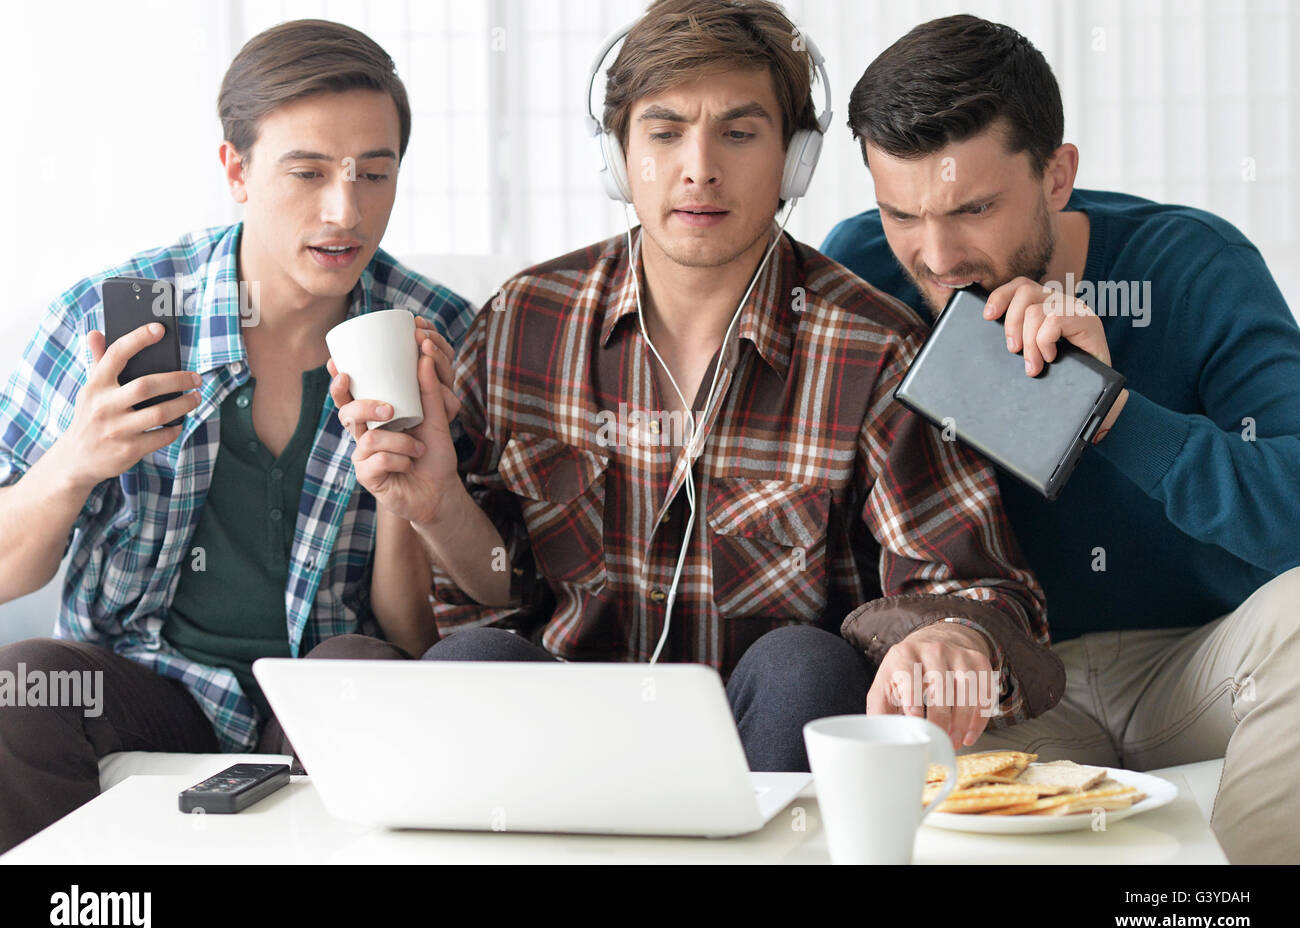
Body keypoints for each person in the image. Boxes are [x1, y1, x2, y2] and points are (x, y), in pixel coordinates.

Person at [330, 0, 1061, 776]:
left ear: (794, 160)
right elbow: (495, 597)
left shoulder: (876, 348)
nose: (700, 168)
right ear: (619, 156)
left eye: (739, 134)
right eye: (666, 131)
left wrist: (957, 637)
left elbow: (985, 591)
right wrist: (440, 503)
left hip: (766, 744)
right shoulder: (523, 321)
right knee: (469, 661)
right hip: (563, 741)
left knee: (802, 664)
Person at [821, 14, 1300, 864]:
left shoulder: (1193, 265)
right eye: (903, 212)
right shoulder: (864, 269)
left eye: (973, 209)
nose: (936, 258)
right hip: (1007, 679)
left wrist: (1115, 414)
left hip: (1198, 665)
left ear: (1057, 176)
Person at [0, 19, 474, 854]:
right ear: (237, 170)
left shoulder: (433, 330)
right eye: (309, 172)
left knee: (360, 674)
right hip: (150, 677)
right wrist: (75, 464)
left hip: (331, 685)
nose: (345, 210)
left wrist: (406, 492)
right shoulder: (120, 318)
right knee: (22, 686)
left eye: (375, 173)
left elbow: (415, 635)